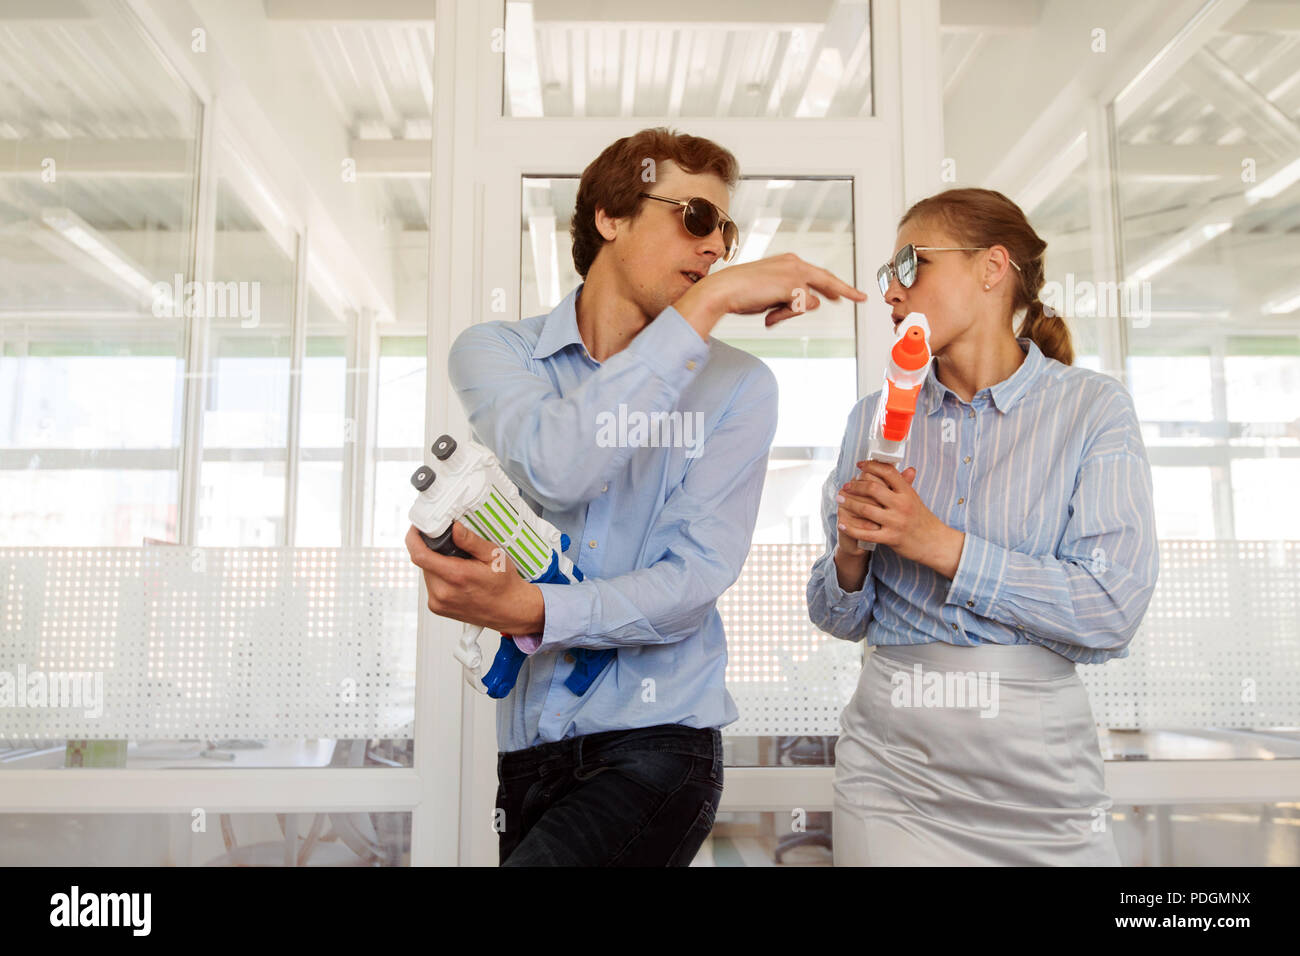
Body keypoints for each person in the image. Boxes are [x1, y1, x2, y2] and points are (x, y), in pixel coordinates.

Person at [405, 127, 866, 866]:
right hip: (528, 752)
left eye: (726, 232)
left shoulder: (741, 388)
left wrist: (540, 611)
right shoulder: (495, 353)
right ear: (610, 218)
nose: (716, 248)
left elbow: (693, 581)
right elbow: (562, 464)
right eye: (695, 218)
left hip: (660, 748)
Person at [809, 187, 1159, 866]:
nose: (892, 293)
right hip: (893, 768)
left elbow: (1112, 607)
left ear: (992, 269)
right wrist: (851, 553)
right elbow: (839, 616)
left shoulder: (1093, 410)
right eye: (888, 276)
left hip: (1041, 775)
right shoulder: (871, 418)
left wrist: (936, 544)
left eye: (910, 265)